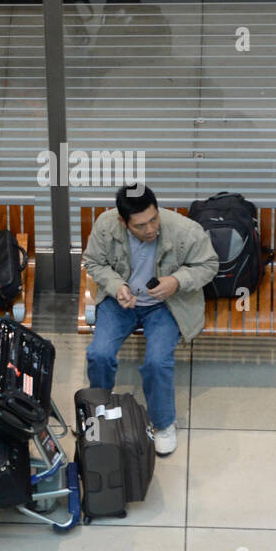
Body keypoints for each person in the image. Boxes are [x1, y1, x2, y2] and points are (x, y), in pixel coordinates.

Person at [83, 183, 218, 456]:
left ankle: (164, 423)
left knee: (157, 362)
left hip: (165, 305)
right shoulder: (106, 225)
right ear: (123, 222)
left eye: (154, 219)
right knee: (99, 354)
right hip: (121, 302)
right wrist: (116, 286)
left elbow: (209, 265)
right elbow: (94, 262)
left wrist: (177, 281)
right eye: (141, 225)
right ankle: (98, 412)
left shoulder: (184, 230)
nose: (151, 229)